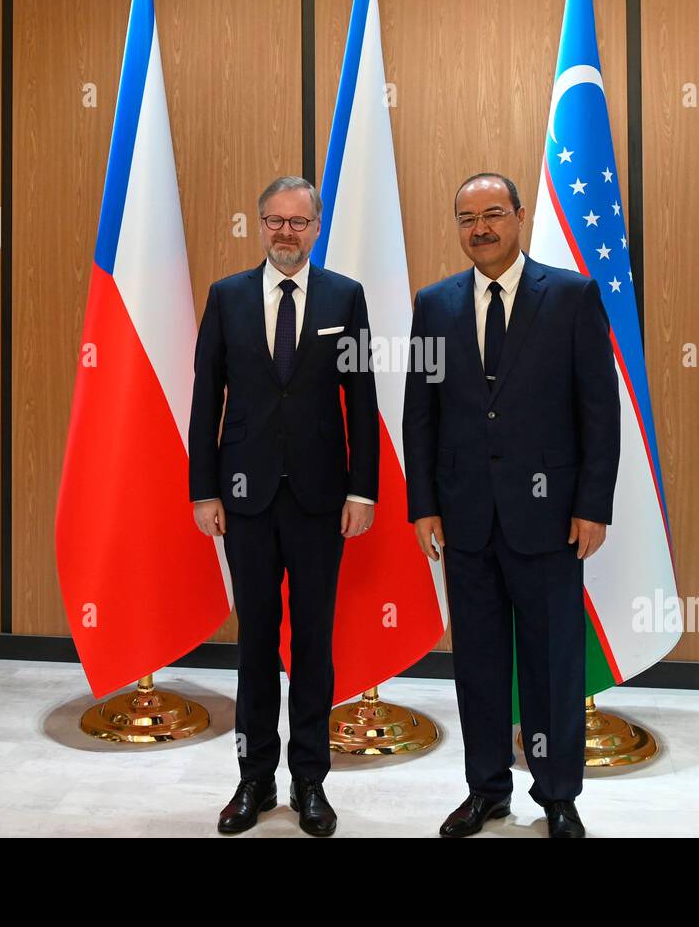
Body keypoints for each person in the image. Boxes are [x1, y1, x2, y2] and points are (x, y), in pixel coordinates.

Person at [403, 172, 620, 838]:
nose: (481, 229)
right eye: (467, 218)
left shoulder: (573, 297)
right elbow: (422, 414)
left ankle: (558, 795)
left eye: (493, 214)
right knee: (479, 663)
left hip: (550, 519)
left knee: (553, 664)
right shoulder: (434, 305)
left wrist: (593, 505)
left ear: (519, 216)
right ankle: (487, 790)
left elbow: (599, 412)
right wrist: (423, 506)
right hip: (465, 518)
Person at [189, 175, 378, 837]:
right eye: (275, 221)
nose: (286, 233)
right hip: (244, 499)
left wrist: (363, 489)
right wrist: (203, 489)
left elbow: (361, 399)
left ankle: (311, 781)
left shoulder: (344, 298)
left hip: (322, 500)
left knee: (315, 645)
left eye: (298, 222)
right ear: (259, 224)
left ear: (316, 227)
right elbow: (205, 397)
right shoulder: (227, 297)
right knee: (256, 646)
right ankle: (253, 780)